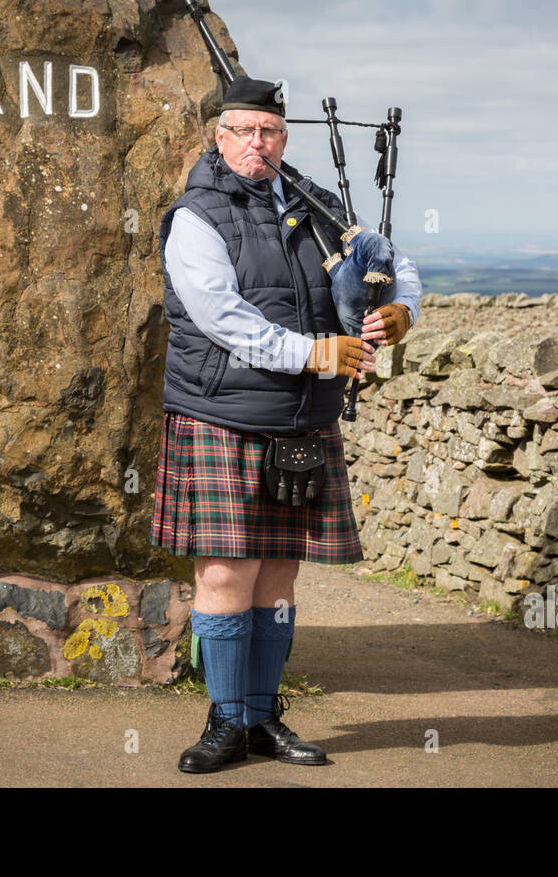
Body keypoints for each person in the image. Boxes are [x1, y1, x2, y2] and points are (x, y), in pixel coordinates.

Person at [151, 76, 421, 773]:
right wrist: (316, 353)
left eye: (267, 131)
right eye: (242, 130)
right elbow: (222, 317)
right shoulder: (196, 216)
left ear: (283, 136)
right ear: (220, 136)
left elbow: (392, 264)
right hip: (223, 414)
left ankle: (264, 718)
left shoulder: (318, 205)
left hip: (302, 421)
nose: (256, 143)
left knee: (277, 577)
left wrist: (402, 310)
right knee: (225, 576)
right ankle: (225, 723)